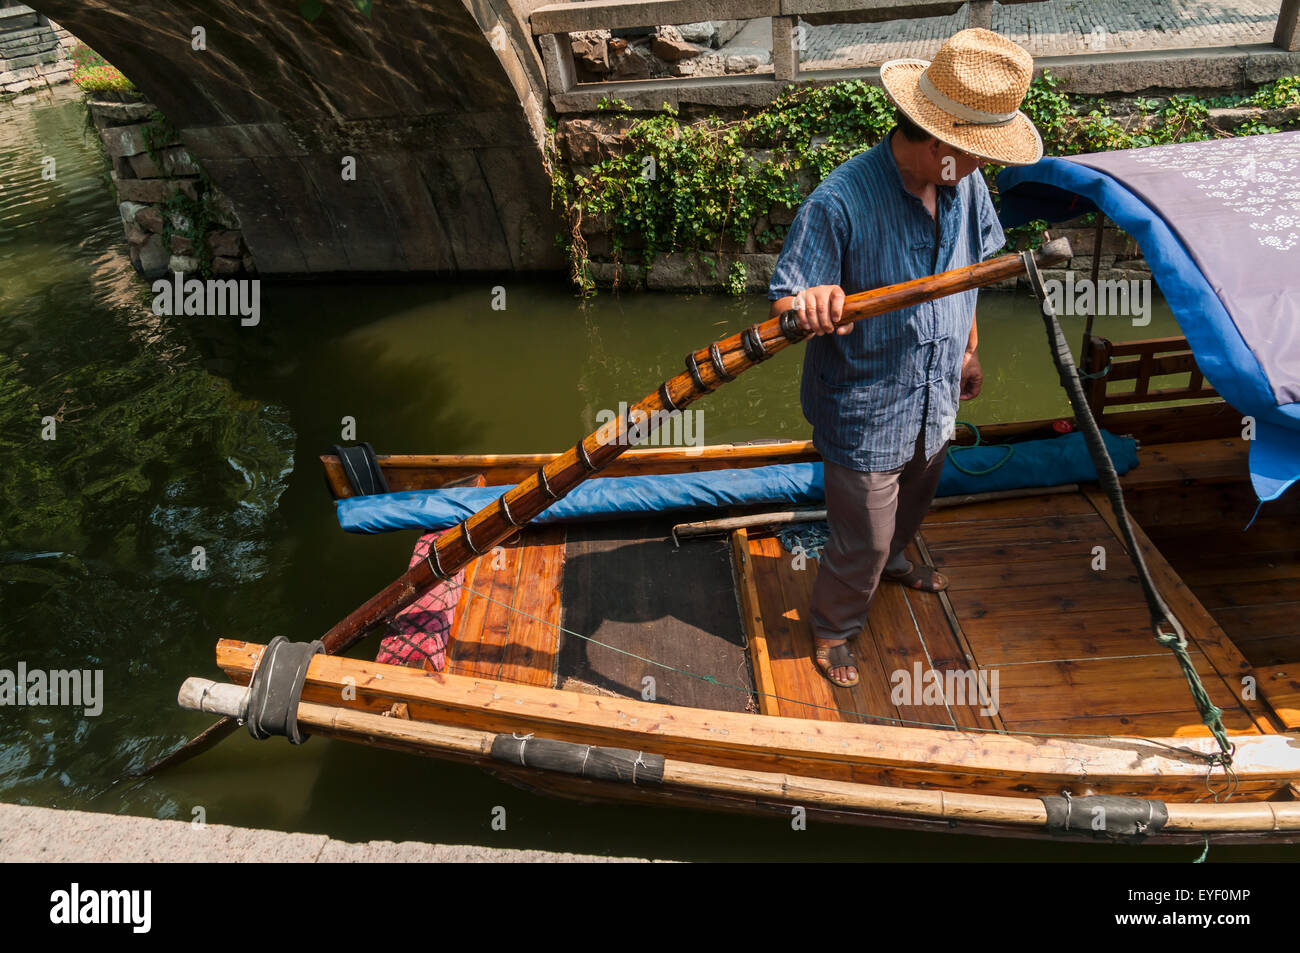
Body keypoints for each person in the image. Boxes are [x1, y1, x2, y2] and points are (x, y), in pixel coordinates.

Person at [767, 28, 1044, 687]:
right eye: (974, 154)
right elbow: (786, 302)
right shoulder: (840, 202)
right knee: (858, 535)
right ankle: (835, 625)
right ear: (935, 142)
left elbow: (969, 271)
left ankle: (895, 561)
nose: (983, 166)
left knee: (918, 497)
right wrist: (815, 301)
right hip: (865, 404)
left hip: (935, 392)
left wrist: (970, 350)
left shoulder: (963, 185)